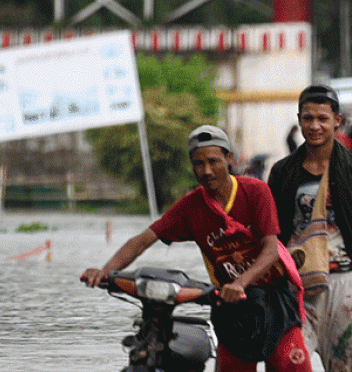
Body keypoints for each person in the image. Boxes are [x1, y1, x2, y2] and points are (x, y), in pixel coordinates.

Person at [80, 125, 310, 372]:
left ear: (229, 159)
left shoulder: (255, 191)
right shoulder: (191, 206)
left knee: (293, 364)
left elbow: (271, 249)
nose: (206, 171)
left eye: (213, 161)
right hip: (230, 307)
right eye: (198, 164)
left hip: (274, 300)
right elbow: (142, 240)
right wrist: (105, 271)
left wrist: (240, 283)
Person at [266, 85, 352, 372]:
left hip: (344, 285)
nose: (315, 126)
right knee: (287, 363)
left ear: (337, 121)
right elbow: (270, 235)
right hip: (295, 288)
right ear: (299, 120)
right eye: (308, 118)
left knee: (343, 367)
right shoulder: (282, 171)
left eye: (322, 119)